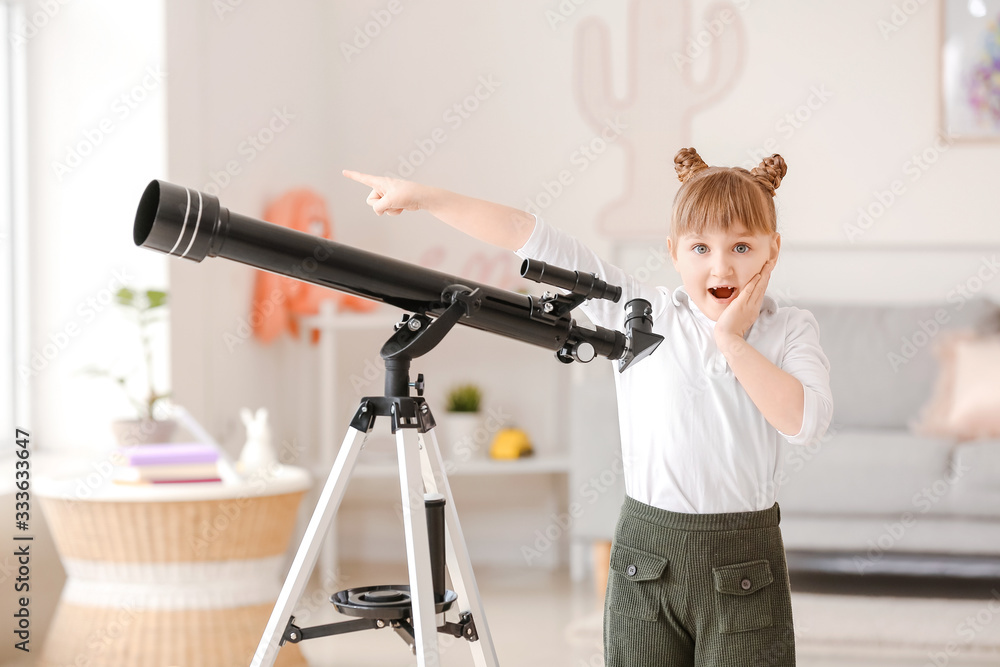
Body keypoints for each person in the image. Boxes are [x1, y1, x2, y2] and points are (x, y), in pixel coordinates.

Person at [344, 146, 833, 666]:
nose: (721, 266)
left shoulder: (790, 330)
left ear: (773, 250)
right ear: (673, 251)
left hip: (746, 567)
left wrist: (732, 341)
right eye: (700, 247)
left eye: (741, 246)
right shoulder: (640, 312)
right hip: (648, 563)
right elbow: (528, 234)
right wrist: (425, 197)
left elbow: (804, 423)